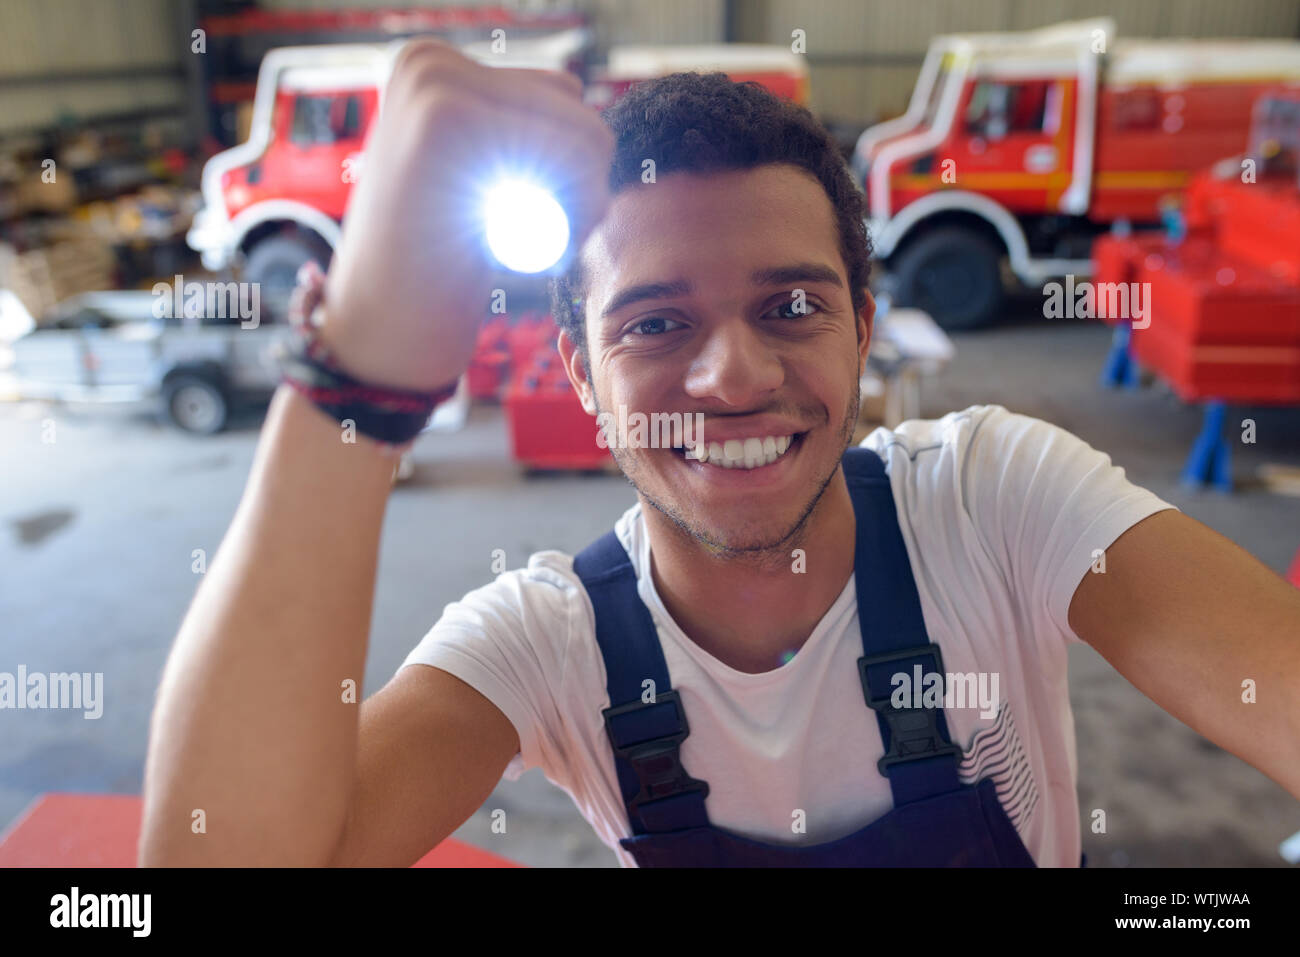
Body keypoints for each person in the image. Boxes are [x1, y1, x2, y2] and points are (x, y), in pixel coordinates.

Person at [140, 40, 1300, 867]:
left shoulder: (994, 501)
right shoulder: (547, 646)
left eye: (791, 305)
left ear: (861, 331)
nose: (734, 377)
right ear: (583, 376)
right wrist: (354, 386)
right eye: (654, 322)